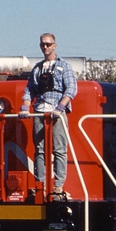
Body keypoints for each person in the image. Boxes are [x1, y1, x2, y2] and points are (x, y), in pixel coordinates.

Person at [20, 32, 78, 198]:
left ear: (54, 45)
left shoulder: (64, 66)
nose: (45, 47)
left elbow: (72, 89)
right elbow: (29, 89)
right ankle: (41, 184)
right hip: (39, 111)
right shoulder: (37, 68)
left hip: (56, 113)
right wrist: (25, 106)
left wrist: (60, 108)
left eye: (48, 44)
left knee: (59, 150)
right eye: (42, 44)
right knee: (39, 150)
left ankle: (58, 185)